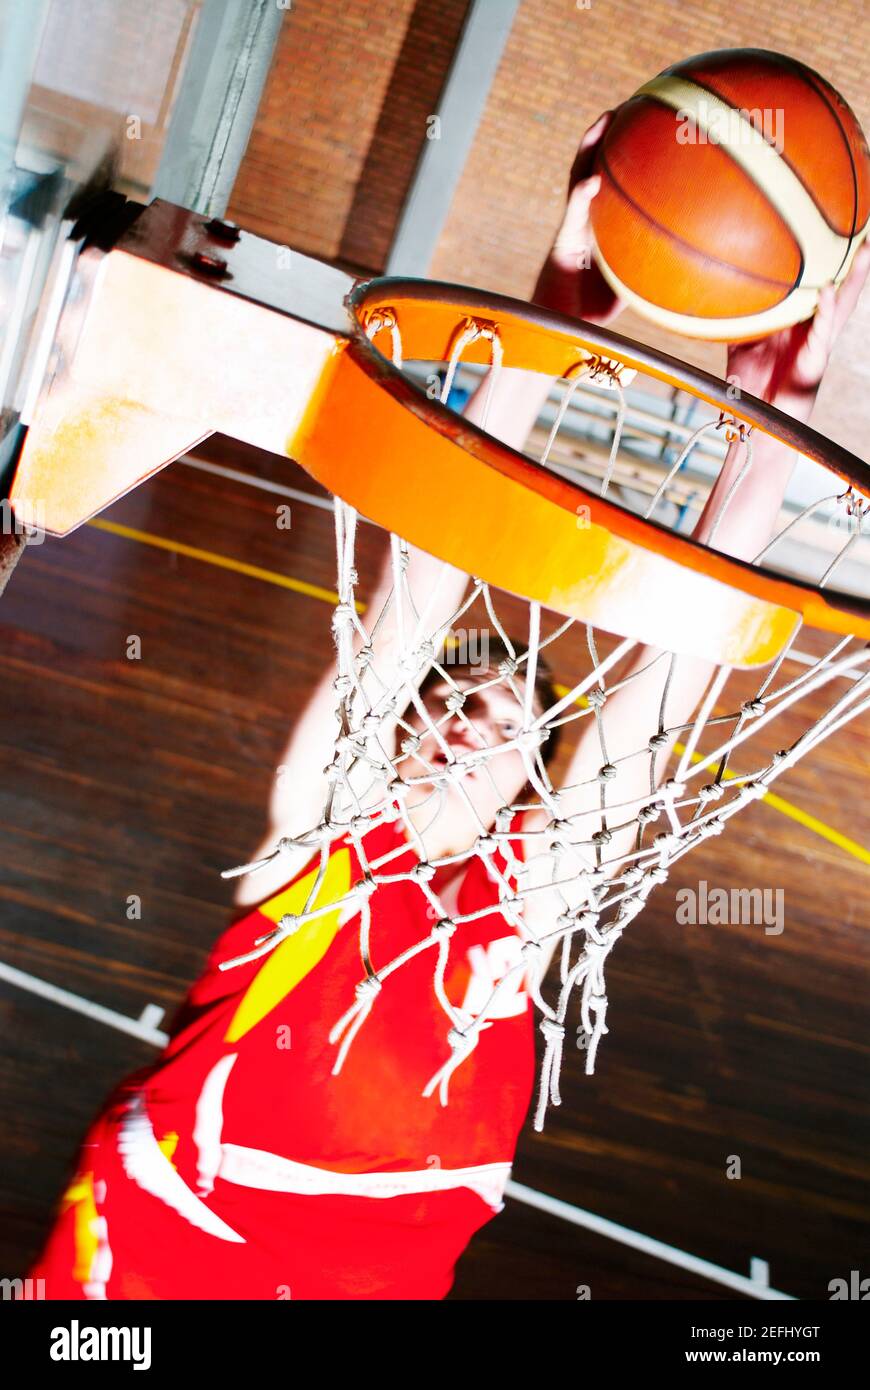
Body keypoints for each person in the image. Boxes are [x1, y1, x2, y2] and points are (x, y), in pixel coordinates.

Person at [28, 115, 869, 1300]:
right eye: (457, 700)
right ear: (399, 731)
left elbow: (667, 682)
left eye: (505, 724)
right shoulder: (323, 845)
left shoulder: (516, 914)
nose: (474, 720)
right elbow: (418, 588)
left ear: (529, 790)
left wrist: (771, 420)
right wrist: (557, 307)